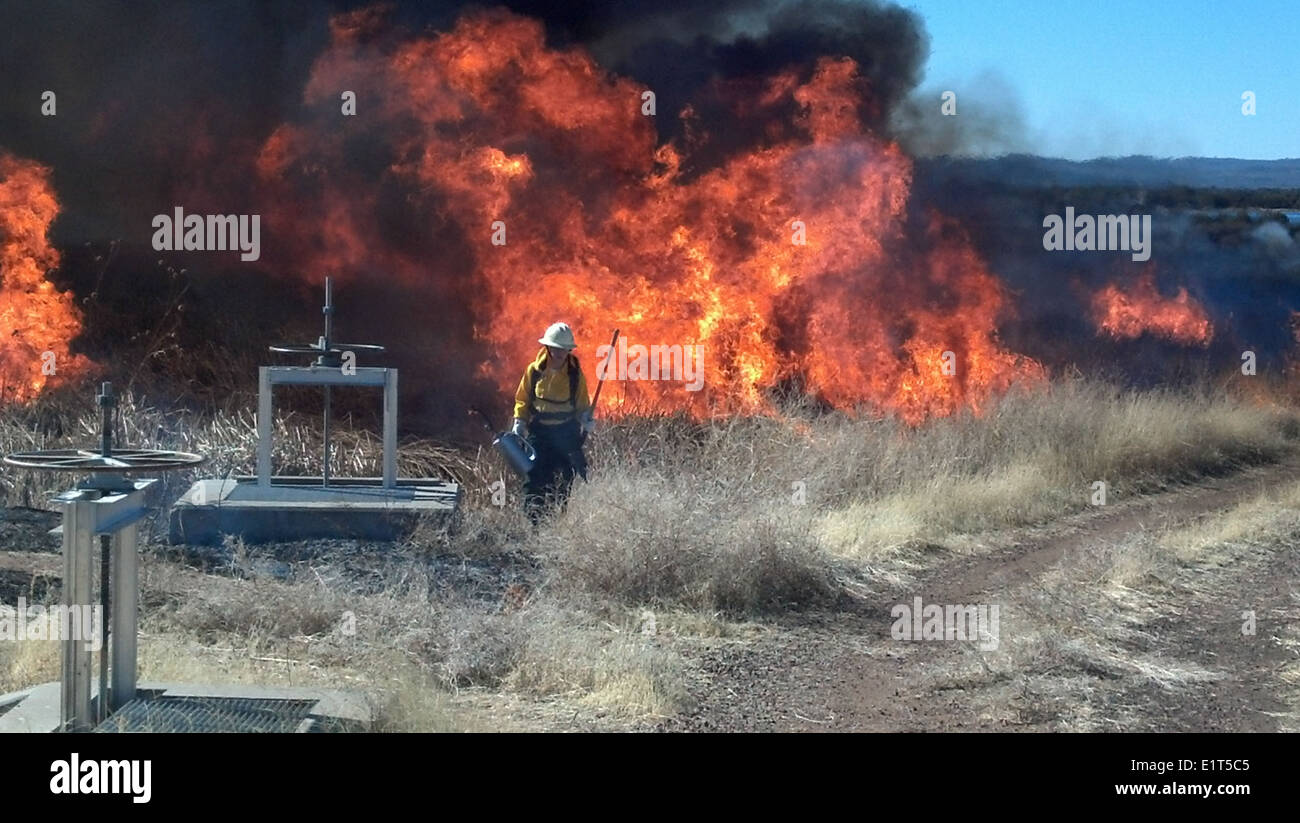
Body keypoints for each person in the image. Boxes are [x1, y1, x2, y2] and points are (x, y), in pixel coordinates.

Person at [511, 322, 594, 522]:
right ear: (548, 347)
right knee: (535, 479)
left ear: (569, 349)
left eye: (564, 349)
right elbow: (523, 399)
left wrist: (586, 418)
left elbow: (582, 403)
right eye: (556, 348)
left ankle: (556, 522)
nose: (560, 353)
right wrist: (519, 422)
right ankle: (534, 524)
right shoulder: (534, 371)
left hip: (567, 432)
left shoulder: (575, 374)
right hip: (540, 433)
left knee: (564, 479)